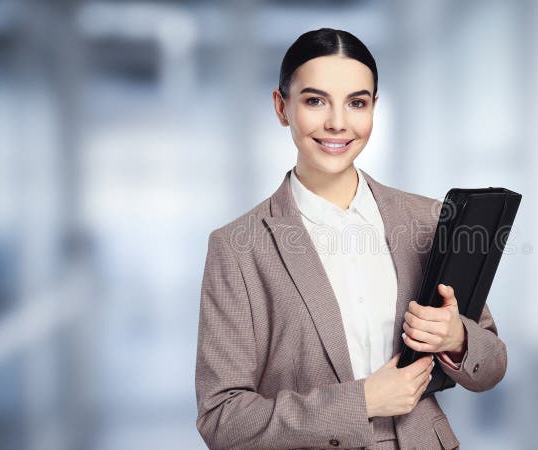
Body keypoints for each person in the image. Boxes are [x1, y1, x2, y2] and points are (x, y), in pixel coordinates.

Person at [194, 28, 507, 450]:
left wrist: (457, 339)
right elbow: (222, 419)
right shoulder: (237, 248)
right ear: (282, 107)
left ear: (374, 107)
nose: (337, 123)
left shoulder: (427, 218)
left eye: (356, 103)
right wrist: (363, 402)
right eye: (315, 101)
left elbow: (492, 365)